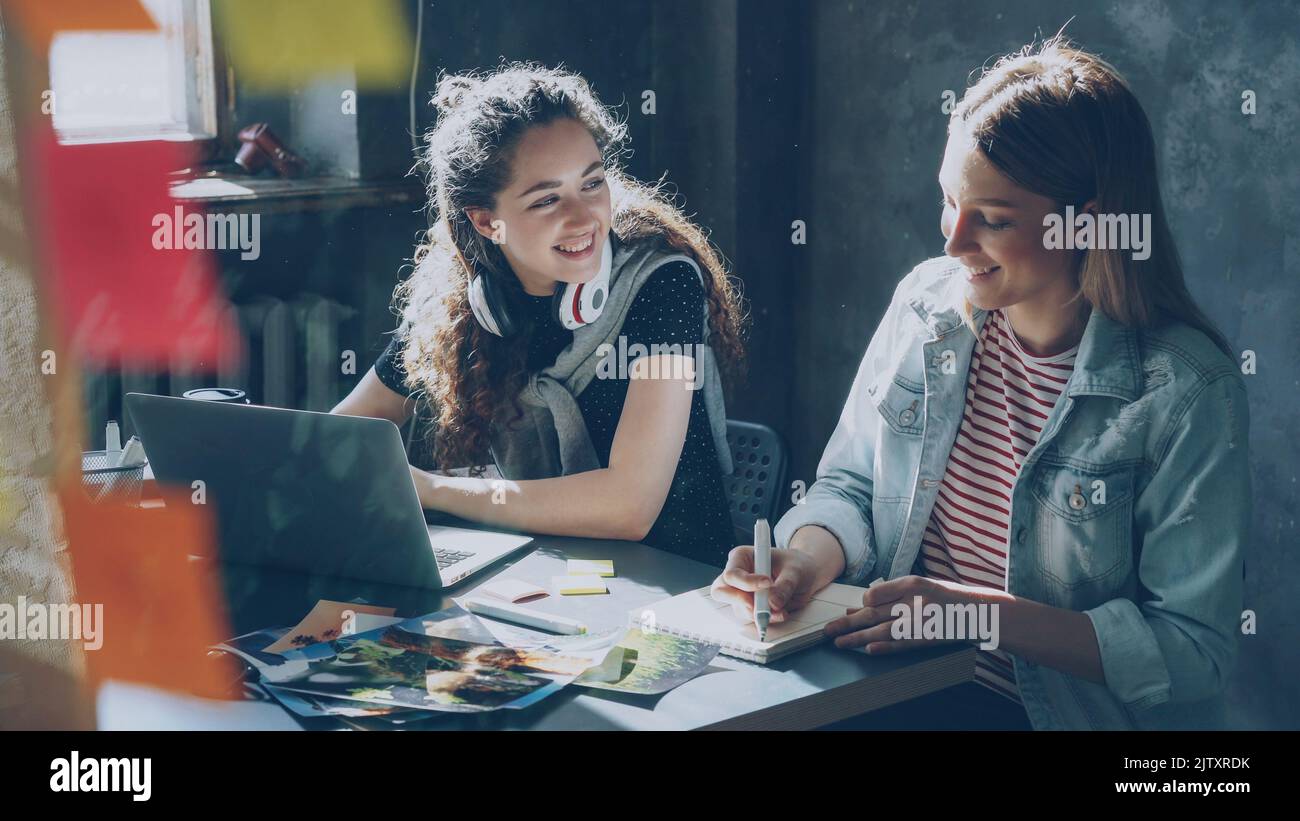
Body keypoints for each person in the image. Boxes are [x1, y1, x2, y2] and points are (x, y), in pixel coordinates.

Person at [712, 34, 1250, 730]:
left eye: (991, 220)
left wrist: (971, 613)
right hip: (898, 689)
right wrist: (804, 561)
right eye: (949, 201)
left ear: (1081, 226)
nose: (953, 242)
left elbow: (1191, 653)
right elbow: (850, 487)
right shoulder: (924, 306)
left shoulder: (1187, 393)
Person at [333, 63, 746, 567]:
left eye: (592, 184)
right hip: (541, 580)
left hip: (679, 582)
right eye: (548, 199)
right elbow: (345, 433)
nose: (583, 218)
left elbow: (630, 506)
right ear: (488, 222)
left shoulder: (663, 284)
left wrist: (429, 490)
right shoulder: (458, 299)